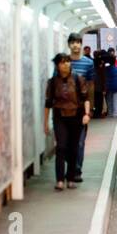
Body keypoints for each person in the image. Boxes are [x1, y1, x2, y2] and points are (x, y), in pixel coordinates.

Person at [44, 54, 90, 190]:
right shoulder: (52, 82)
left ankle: (70, 178)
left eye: (68, 62)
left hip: (76, 117)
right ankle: (59, 180)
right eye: (62, 62)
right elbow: (47, 103)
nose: (66, 65)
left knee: (73, 147)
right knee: (61, 147)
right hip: (60, 117)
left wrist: (87, 114)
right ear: (57, 65)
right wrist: (45, 123)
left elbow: (85, 98)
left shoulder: (78, 79)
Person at [67, 37, 95, 179]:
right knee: (66, 143)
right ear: (69, 45)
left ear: (81, 44)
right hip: (65, 109)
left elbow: (90, 88)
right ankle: (71, 168)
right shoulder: (64, 62)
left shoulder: (89, 63)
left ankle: (76, 171)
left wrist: (89, 111)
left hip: (81, 108)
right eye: (72, 43)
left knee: (79, 142)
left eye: (78, 42)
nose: (75, 45)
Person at [105, 51, 117, 117]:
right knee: (115, 101)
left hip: (108, 87)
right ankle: (115, 114)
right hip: (116, 87)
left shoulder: (105, 69)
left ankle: (110, 113)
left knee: (109, 101)